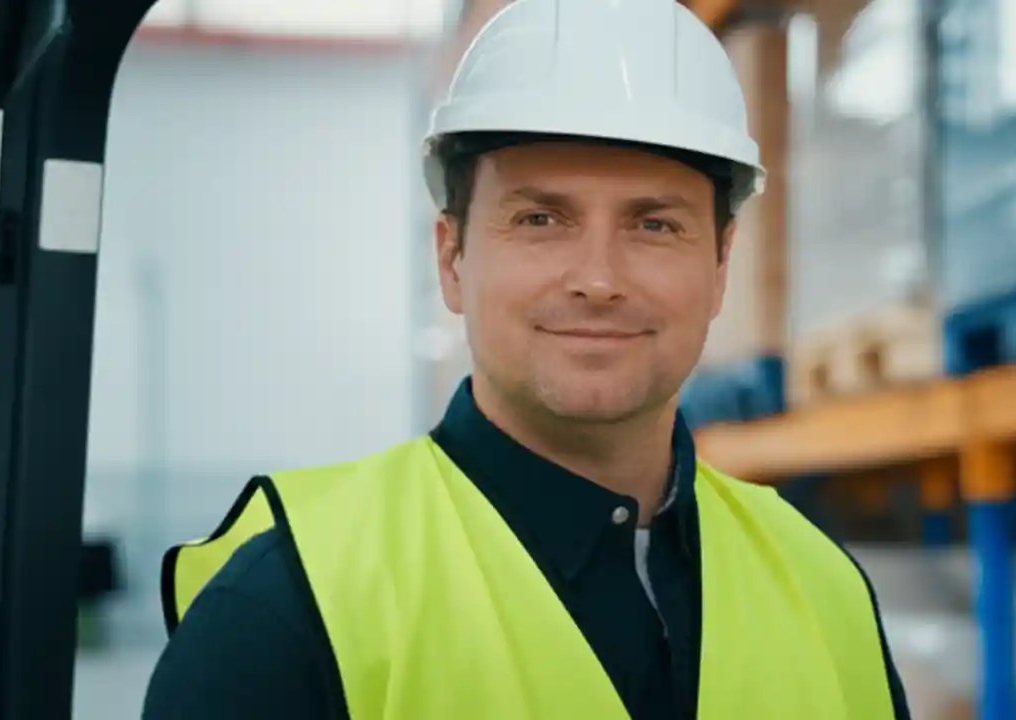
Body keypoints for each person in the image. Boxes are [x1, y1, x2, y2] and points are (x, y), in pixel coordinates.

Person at [143, 1, 912, 718]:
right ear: (451, 258)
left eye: (654, 225)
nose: (600, 280)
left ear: (718, 266)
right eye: (541, 218)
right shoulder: (287, 607)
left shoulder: (822, 585)